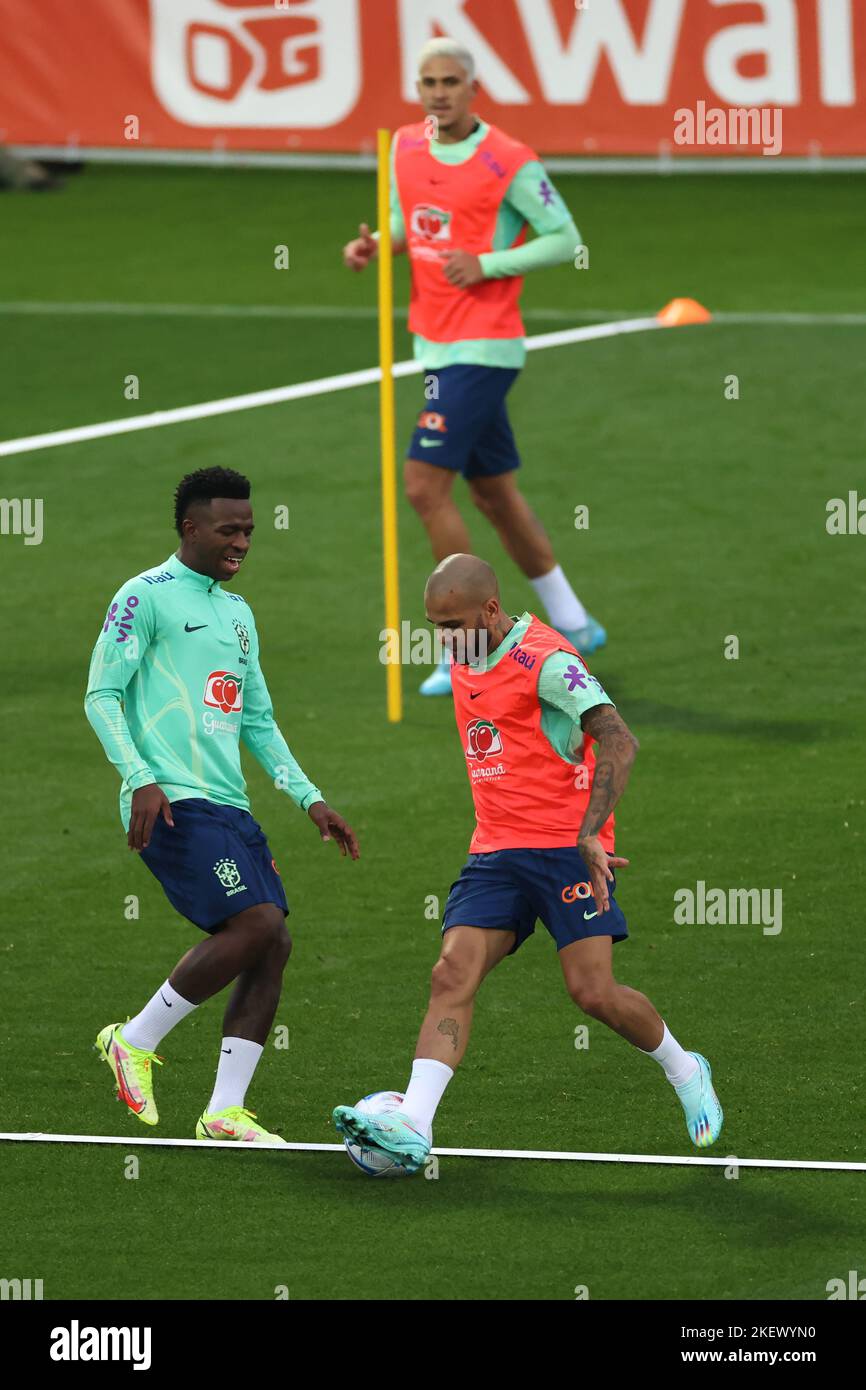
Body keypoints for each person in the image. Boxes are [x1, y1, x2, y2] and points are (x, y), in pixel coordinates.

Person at [333, 555, 722, 1170]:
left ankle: (684, 1067)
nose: (445, 640)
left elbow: (621, 740)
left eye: (455, 624)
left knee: (592, 992)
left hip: (569, 850)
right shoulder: (465, 656)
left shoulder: (549, 662)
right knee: (450, 975)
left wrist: (593, 831)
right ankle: (414, 1121)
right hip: (495, 850)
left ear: (492, 609)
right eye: (435, 626)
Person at [85, 466, 359, 1143]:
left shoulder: (238, 614)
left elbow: (258, 719)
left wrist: (309, 797)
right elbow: (101, 694)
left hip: (229, 807)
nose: (242, 542)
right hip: (172, 802)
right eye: (229, 529)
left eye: (249, 531)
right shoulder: (143, 597)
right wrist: (139, 777)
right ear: (190, 527)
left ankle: (224, 1113)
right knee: (257, 922)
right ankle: (134, 1040)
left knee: (273, 943)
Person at [342, 37, 605, 697]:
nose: (438, 92)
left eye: (451, 81)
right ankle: (573, 620)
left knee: (423, 487)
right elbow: (411, 223)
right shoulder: (403, 145)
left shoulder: (507, 160)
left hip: (483, 346)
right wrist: (378, 244)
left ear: (473, 87)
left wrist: (487, 264)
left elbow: (564, 239)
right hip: (433, 341)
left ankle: (464, 646)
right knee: (493, 493)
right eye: (428, 81)